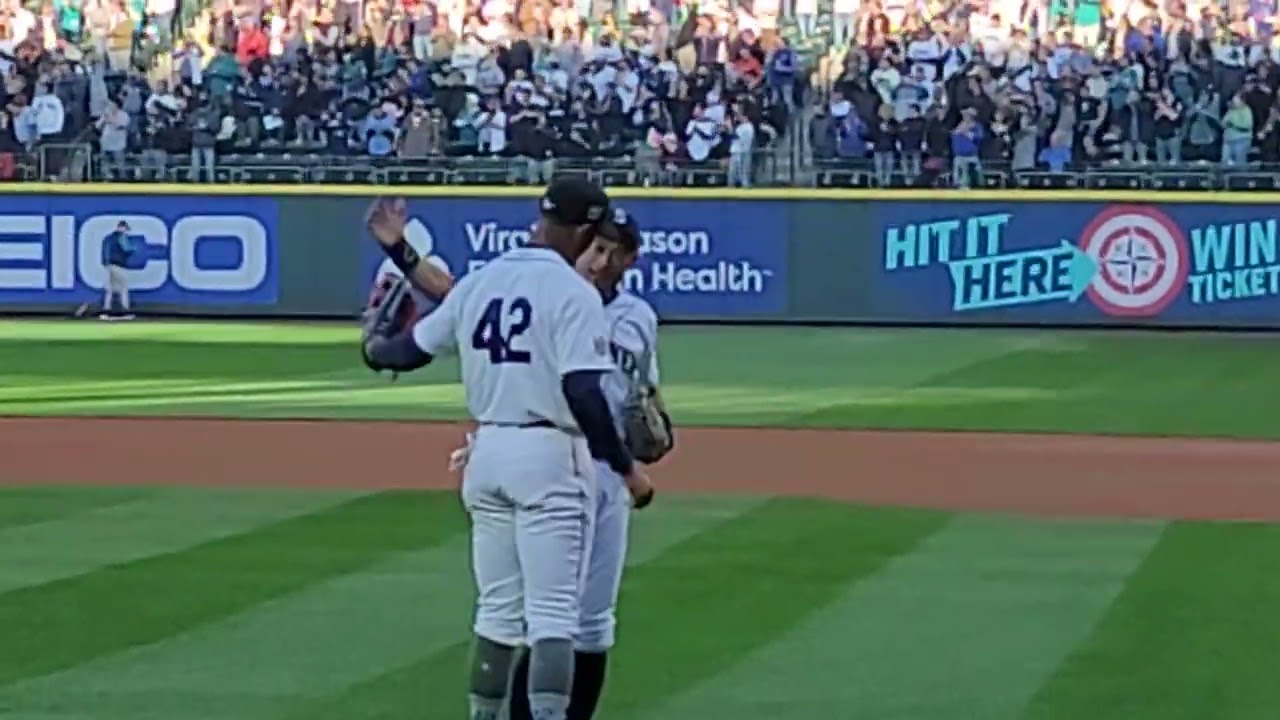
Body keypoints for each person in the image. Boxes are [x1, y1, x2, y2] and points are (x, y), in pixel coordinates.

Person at [359, 180, 655, 720]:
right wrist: (628, 469)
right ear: (586, 231)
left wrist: (373, 346)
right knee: (553, 616)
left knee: (496, 614)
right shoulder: (573, 293)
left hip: (487, 452)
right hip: (551, 455)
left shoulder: (484, 280)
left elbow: (403, 352)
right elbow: (584, 394)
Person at [506, 206, 672, 720]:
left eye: (613, 250)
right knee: (551, 617)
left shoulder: (639, 317)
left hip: (609, 472)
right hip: (555, 460)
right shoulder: (548, 300)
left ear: (630, 259)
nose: (601, 260)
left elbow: (645, 389)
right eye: (596, 246)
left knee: (595, 622)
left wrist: (659, 423)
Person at [100, 220, 136, 320]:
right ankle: (125, 311)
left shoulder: (108, 238)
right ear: (122, 227)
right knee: (124, 288)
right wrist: (133, 248)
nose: (126, 231)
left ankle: (105, 312)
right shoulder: (121, 236)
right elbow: (127, 249)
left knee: (110, 290)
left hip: (109, 266)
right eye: (126, 229)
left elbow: (104, 252)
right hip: (118, 265)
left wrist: (106, 264)